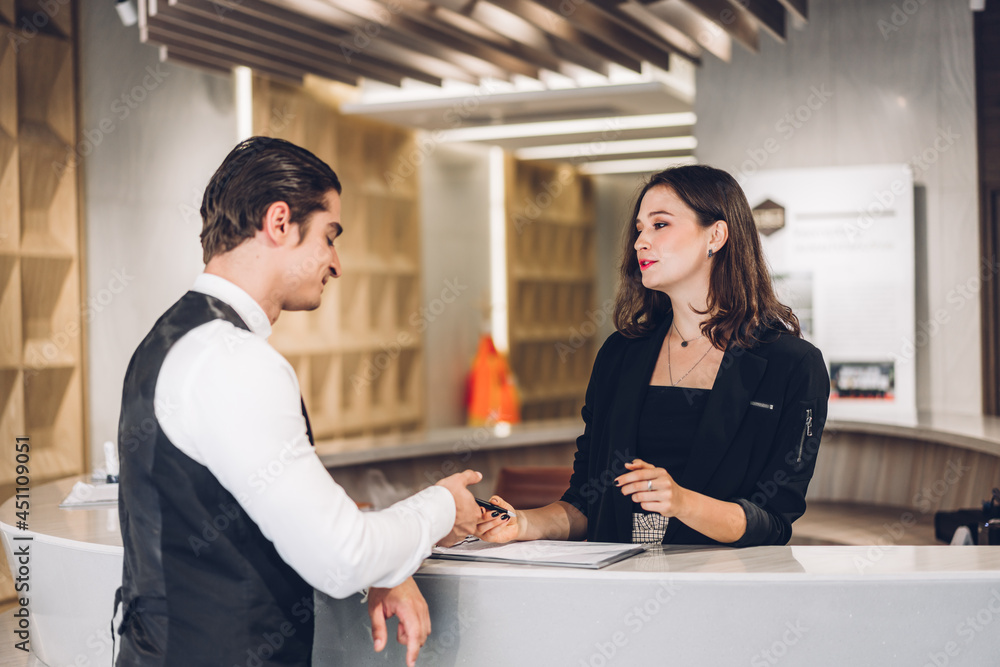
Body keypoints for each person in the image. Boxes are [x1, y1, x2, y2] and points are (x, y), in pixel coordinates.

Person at [114, 137, 482, 667]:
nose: (336, 264)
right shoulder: (234, 360)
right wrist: (442, 508)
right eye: (329, 236)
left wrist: (390, 565)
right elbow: (341, 556)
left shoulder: (168, 340)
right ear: (280, 222)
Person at [477, 165, 829, 547]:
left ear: (717, 235)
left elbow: (774, 522)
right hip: (617, 587)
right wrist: (522, 523)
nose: (641, 242)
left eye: (660, 225)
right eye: (640, 229)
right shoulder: (619, 355)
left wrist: (680, 502)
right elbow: (585, 503)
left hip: (723, 588)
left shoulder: (792, 365)